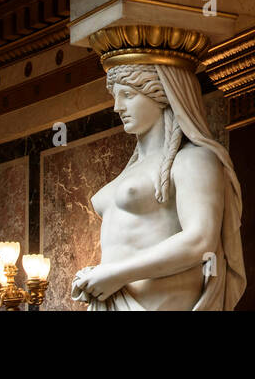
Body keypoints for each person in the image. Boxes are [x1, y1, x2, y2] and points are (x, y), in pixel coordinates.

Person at [72, 61, 244, 310]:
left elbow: (199, 239)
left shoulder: (194, 159)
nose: (117, 107)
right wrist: (100, 275)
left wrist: (116, 274)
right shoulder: (129, 170)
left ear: (163, 95)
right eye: (115, 97)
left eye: (128, 95)